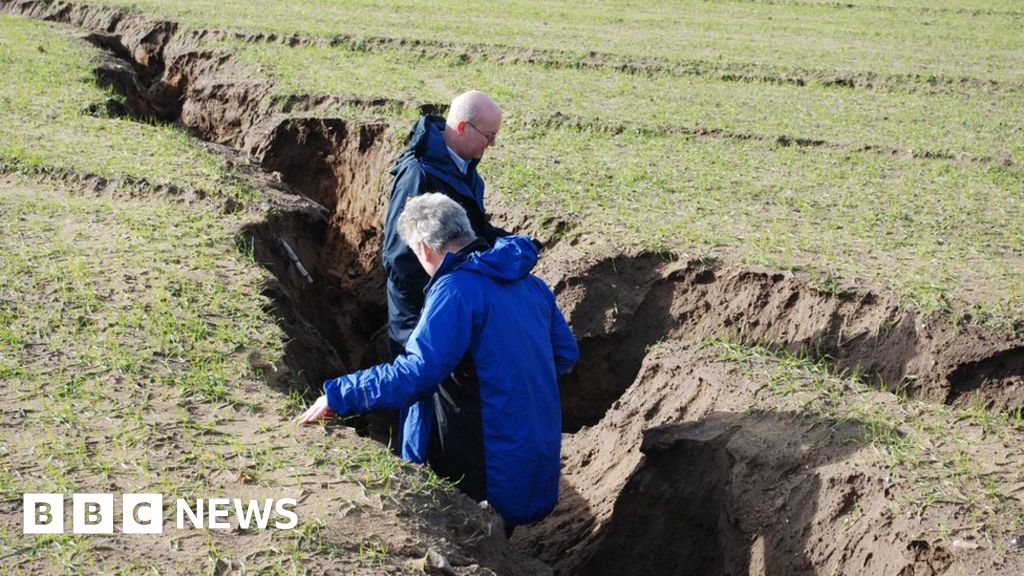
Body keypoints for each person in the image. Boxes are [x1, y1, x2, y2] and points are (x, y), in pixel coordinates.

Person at [299, 194, 579, 532]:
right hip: (528, 451)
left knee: (474, 542)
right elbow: (565, 354)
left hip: (481, 461)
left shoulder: (456, 290)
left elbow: (417, 373)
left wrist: (340, 394)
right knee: (498, 540)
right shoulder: (531, 284)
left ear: (423, 248)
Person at [381, 90, 509, 463]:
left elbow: (469, 230)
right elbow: (398, 255)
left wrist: (500, 242)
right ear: (463, 127)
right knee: (420, 388)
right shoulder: (421, 173)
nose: (493, 145)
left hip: (450, 299)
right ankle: (413, 469)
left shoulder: (463, 168)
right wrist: (444, 296)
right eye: (489, 137)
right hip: (416, 311)